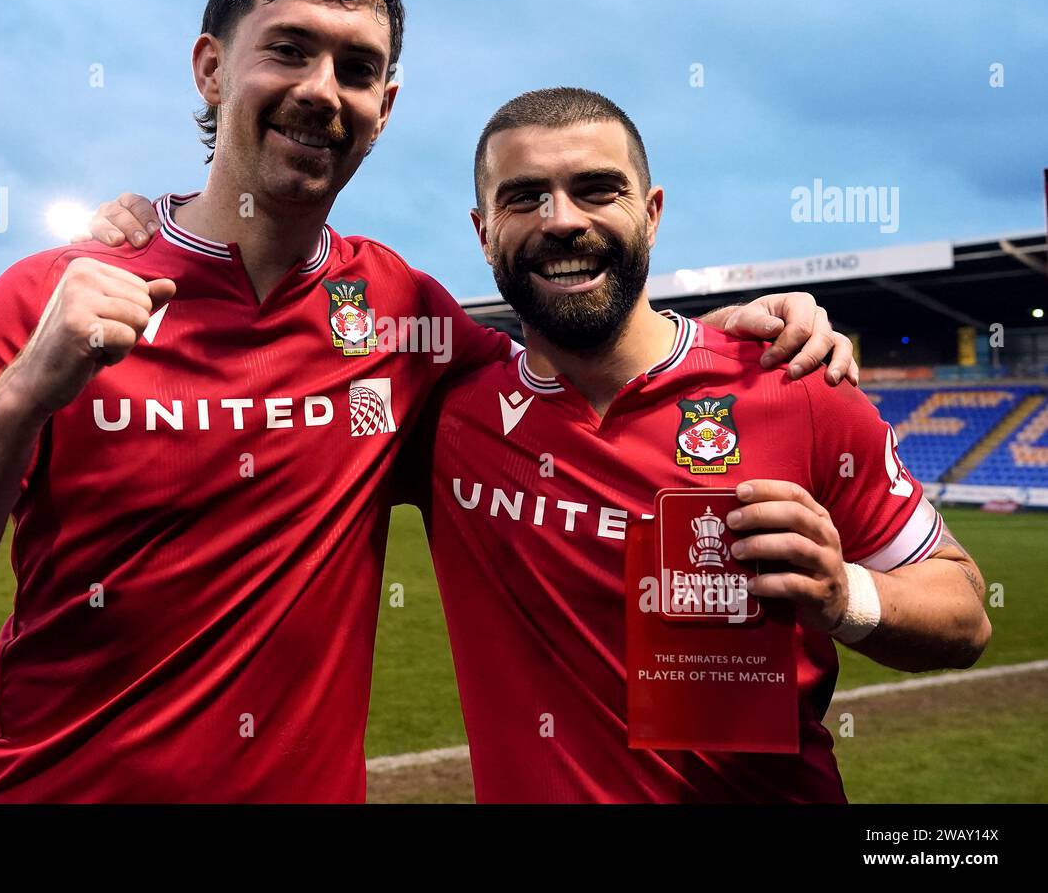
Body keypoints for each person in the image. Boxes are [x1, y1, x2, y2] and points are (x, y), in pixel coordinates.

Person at [0, 0, 854, 803]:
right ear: (209, 69)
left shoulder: (404, 317)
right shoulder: (50, 299)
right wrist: (27, 391)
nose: (321, 90)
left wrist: (728, 343)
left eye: (357, 66)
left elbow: (580, 366)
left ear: (386, 102)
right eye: (286, 50)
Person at [398, 87, 990, 802]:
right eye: (524, 197)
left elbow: (964, 612)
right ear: (482, 231)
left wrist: (845, 597)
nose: (561, 221)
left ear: (651, 214)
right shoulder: (447, 413)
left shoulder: (795, 387)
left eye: (596, 190)